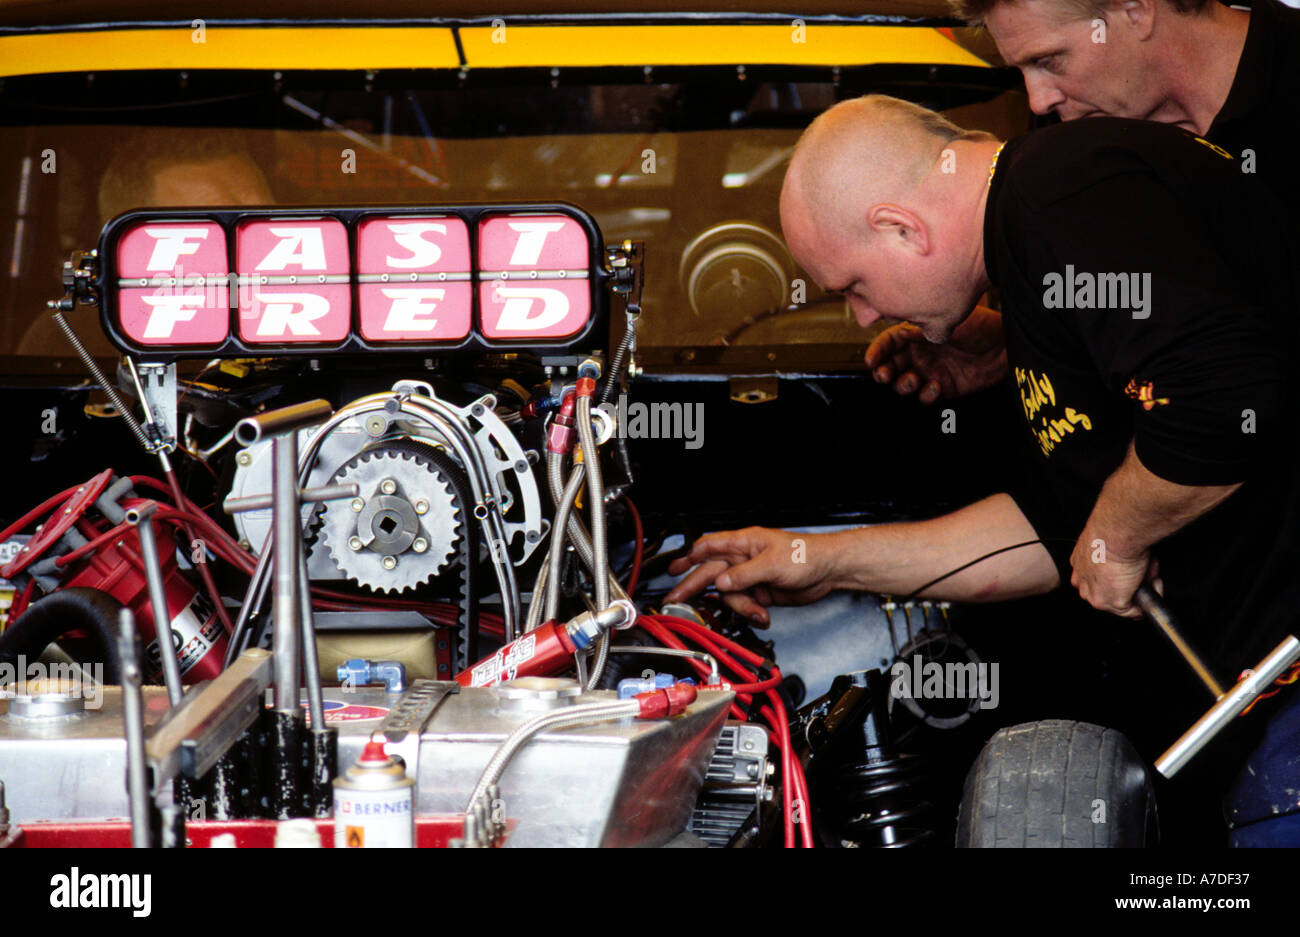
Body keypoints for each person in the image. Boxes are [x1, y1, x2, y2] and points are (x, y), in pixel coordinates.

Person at [665, 95, 1300, 842]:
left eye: (852, 289)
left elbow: (1220, 408)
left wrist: (1116, 540)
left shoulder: (1055, 188)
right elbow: (1048, 533)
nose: (864, 320)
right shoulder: (1037, 255)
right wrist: (816, 558)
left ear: (902, 227)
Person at [869, 0, 1300, 407]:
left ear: (1136, 9)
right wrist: (1021, 345)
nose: (1039, 99)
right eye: (1022, 69)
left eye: (1049, 60)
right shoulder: (1066, 136)